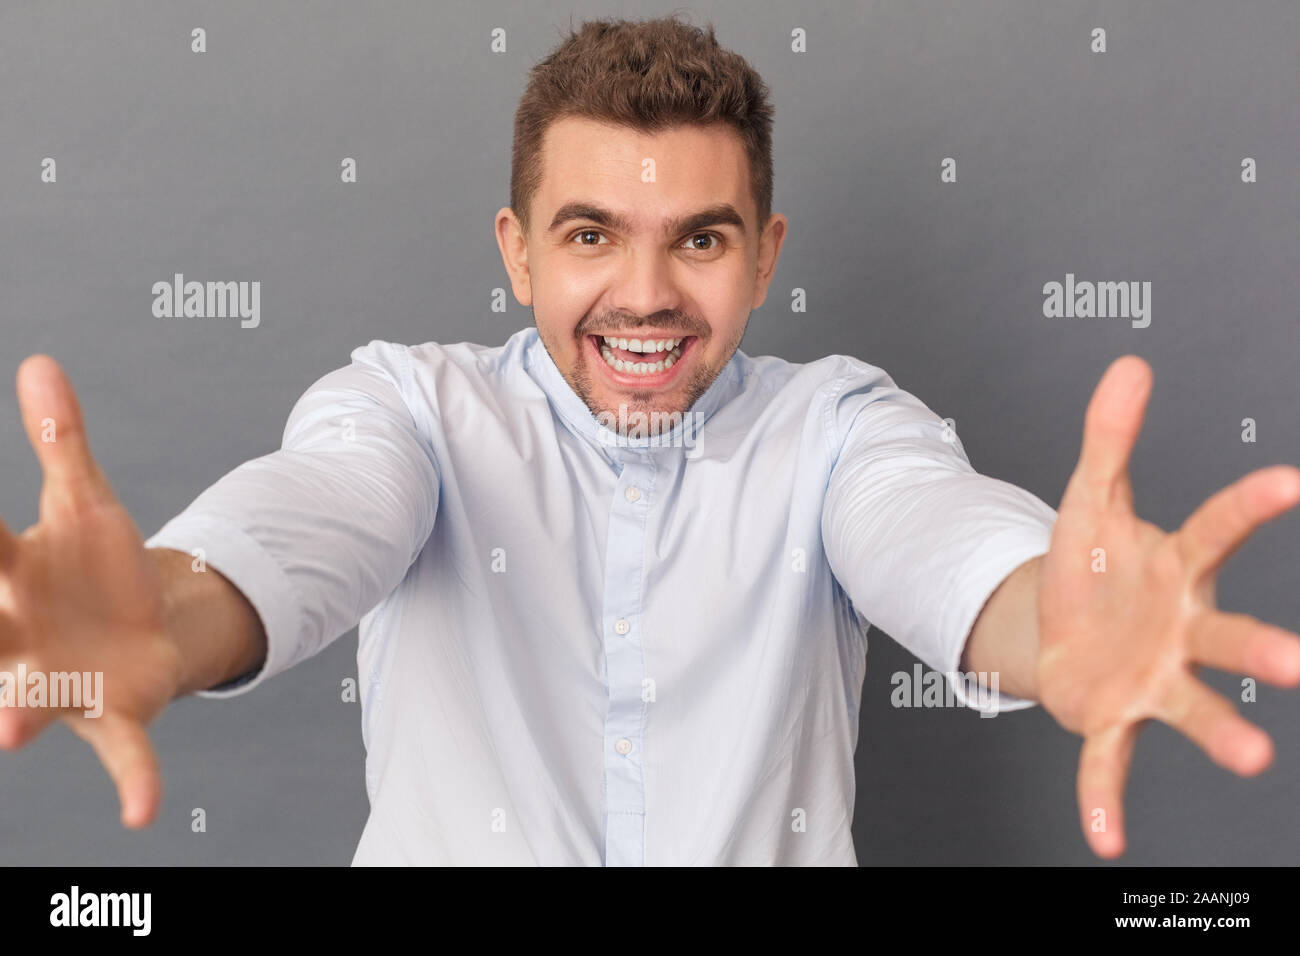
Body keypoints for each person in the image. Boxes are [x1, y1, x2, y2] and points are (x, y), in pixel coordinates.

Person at [2, 14, 1297, 865]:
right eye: (589, 235)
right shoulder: (410, 412)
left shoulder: (839, 428)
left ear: (764, 254)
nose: (645, 294)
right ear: (515, 251)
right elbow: (313, 517)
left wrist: (1046, 621)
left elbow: (935, 539)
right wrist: (159, 623)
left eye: (700, 237)